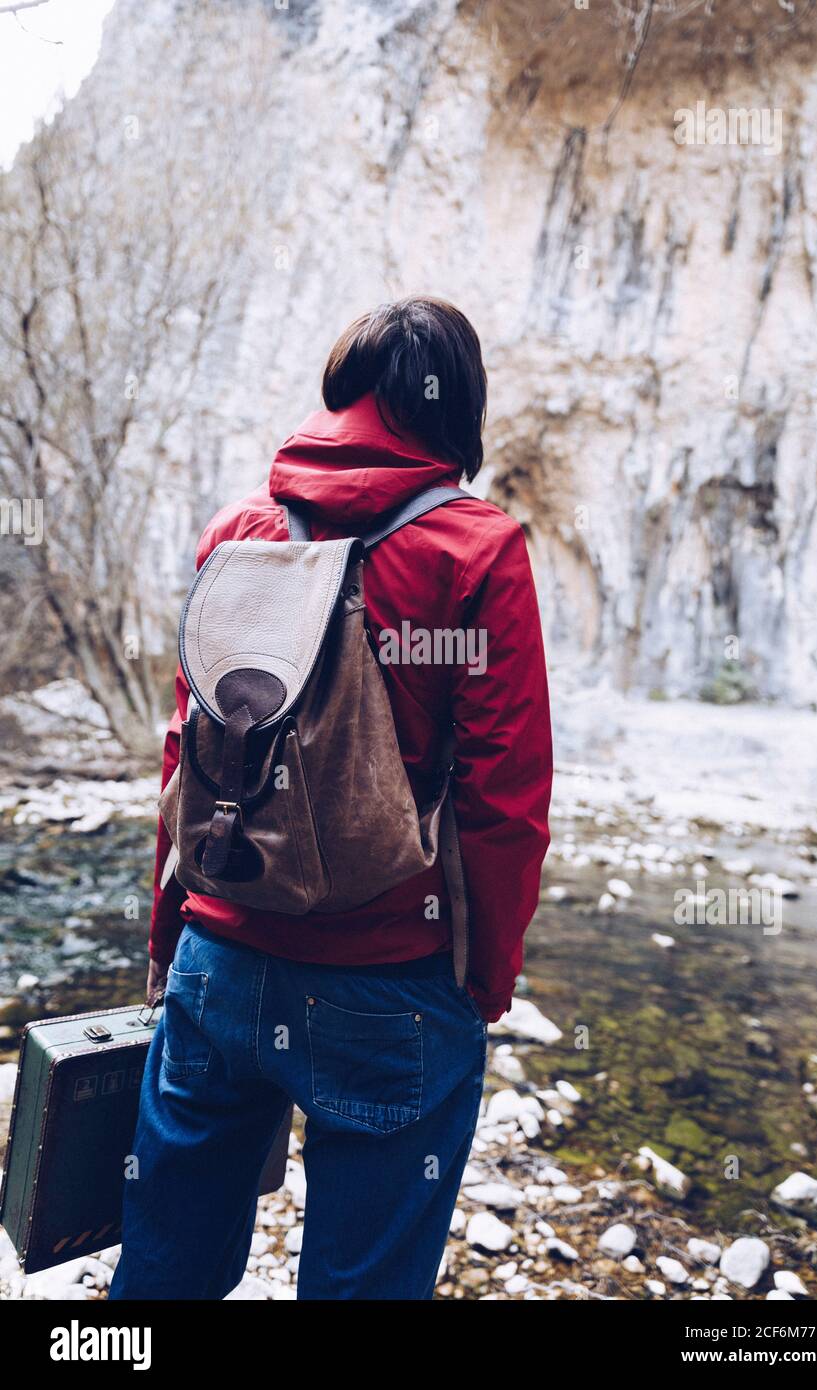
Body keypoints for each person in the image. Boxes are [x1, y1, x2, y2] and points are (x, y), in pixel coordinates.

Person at [109, 296, 553, 1301]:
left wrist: (169, 933)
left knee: (164, 1268)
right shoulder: (474, 552)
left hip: (218, 963)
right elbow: (503, 800)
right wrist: (480, 980)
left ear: (341, 390)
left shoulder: (238, 532)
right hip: (387, 980)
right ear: (454, 408)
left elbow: (188, 757)